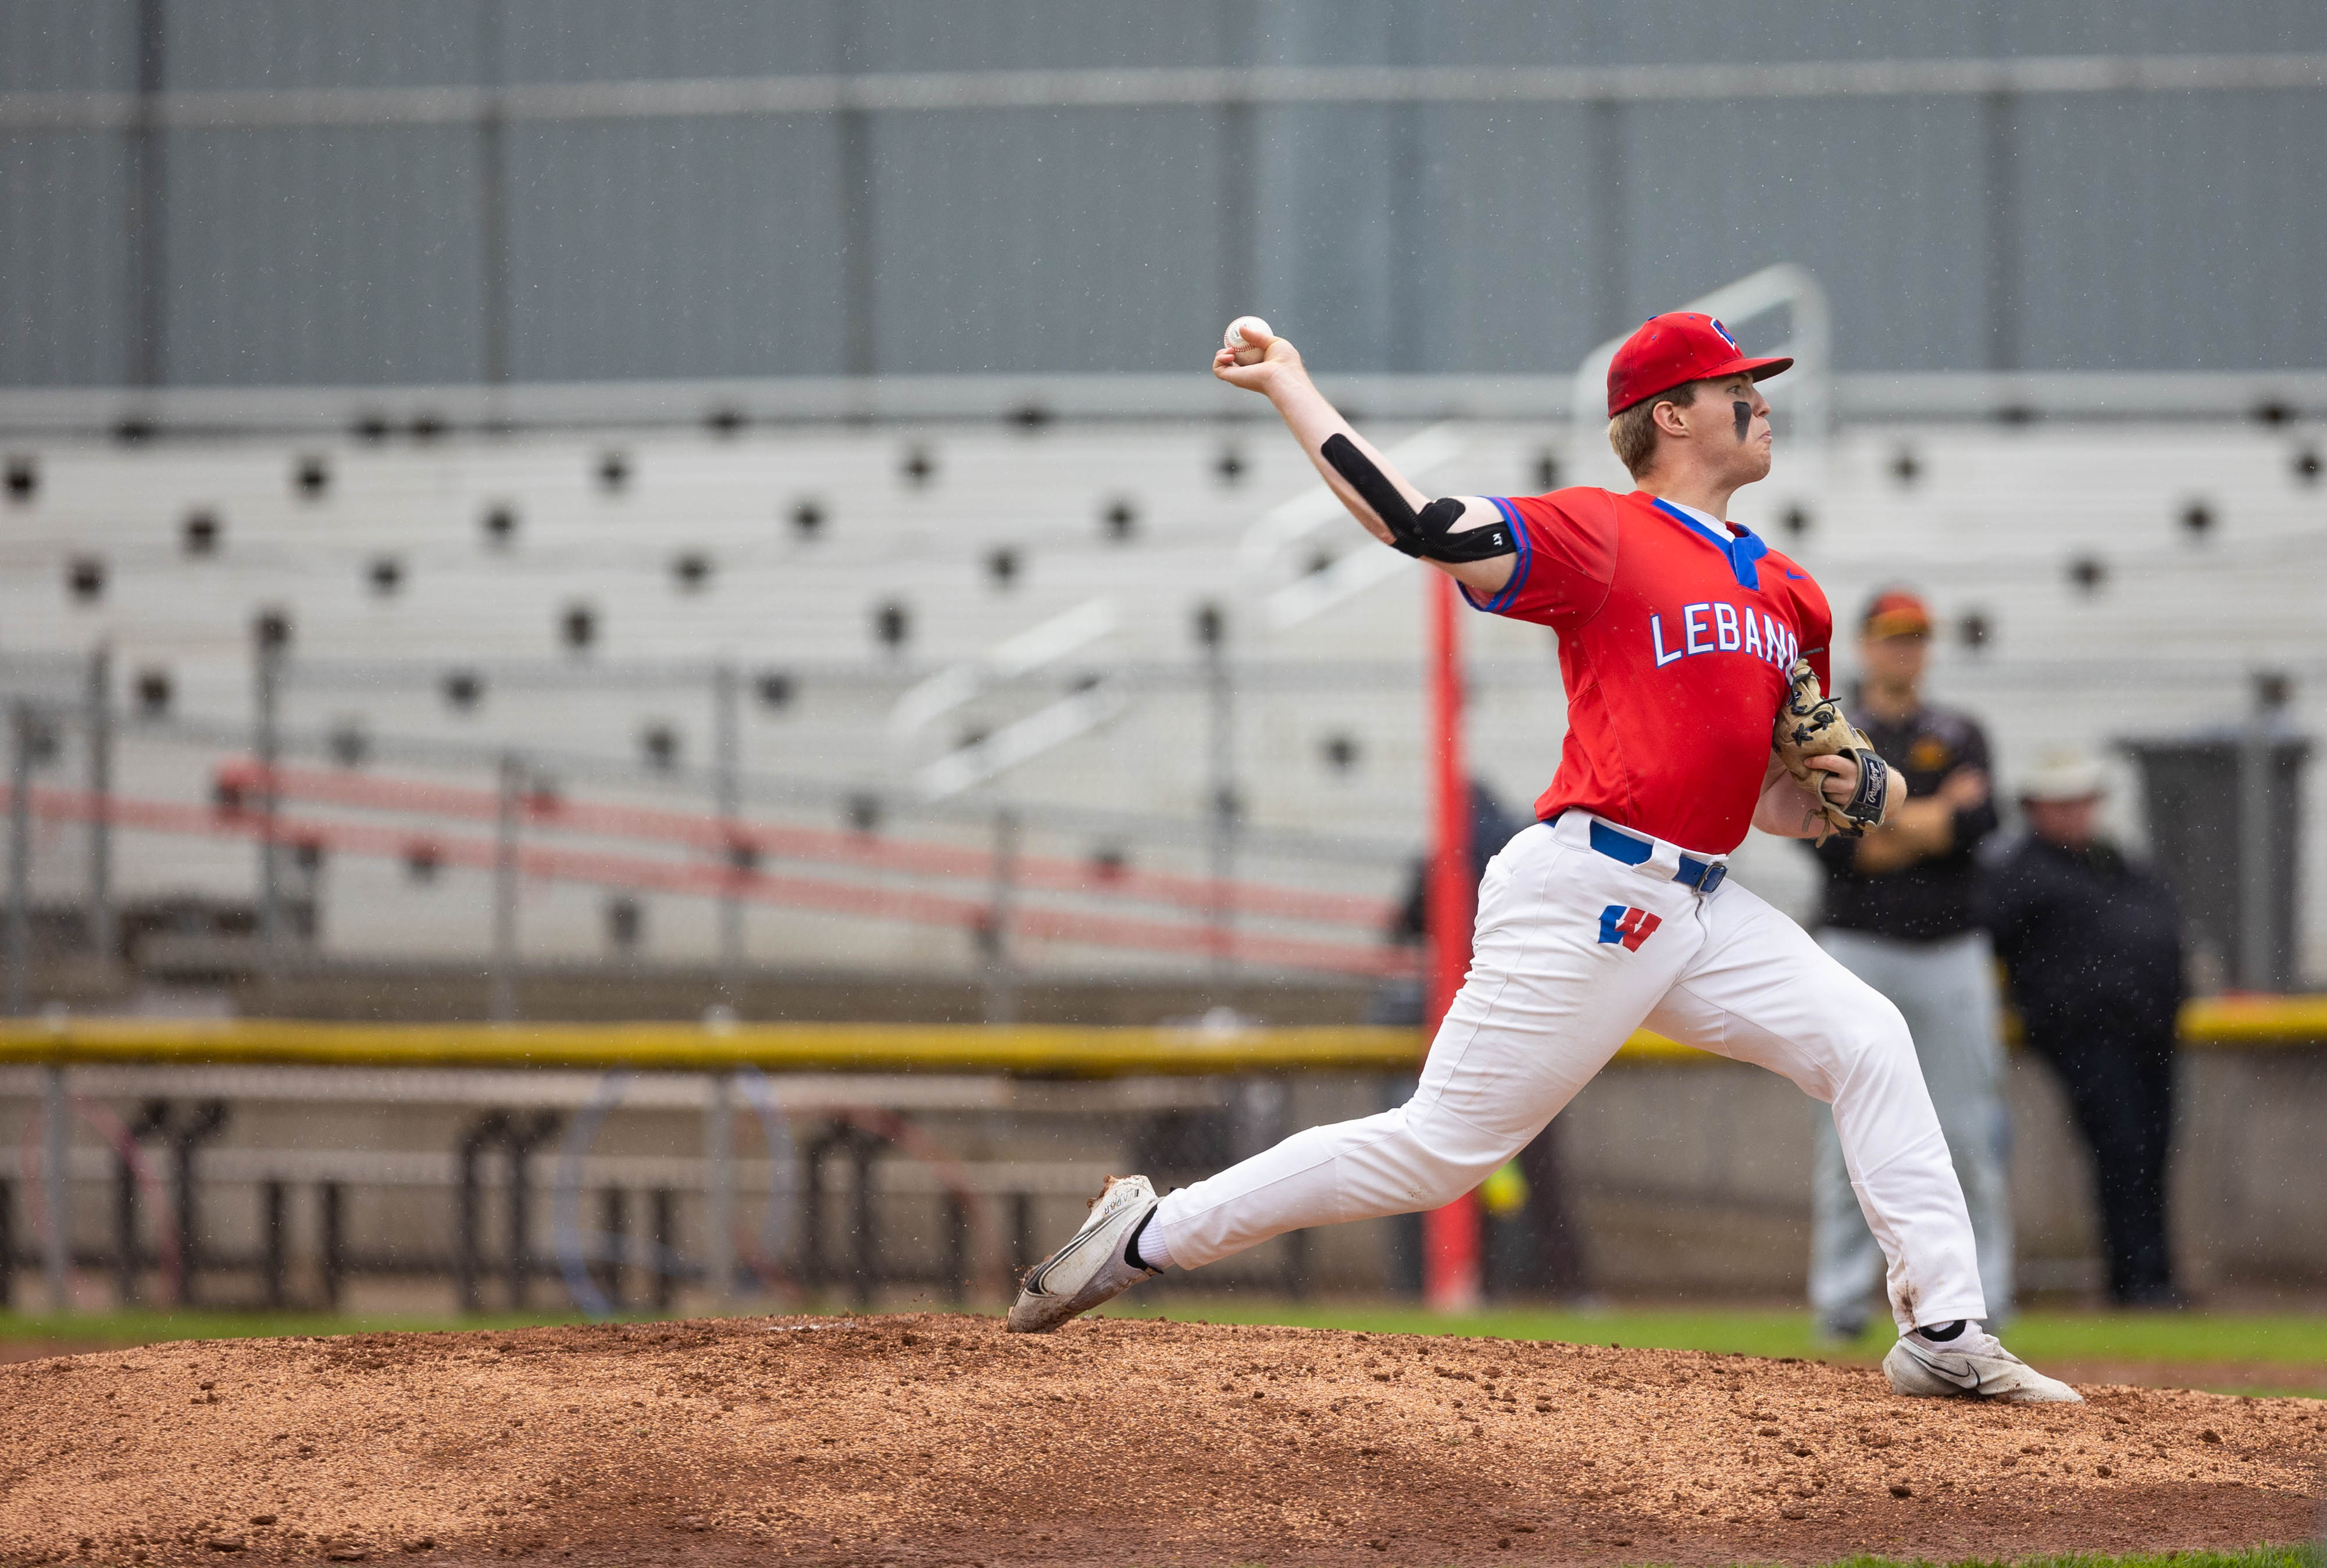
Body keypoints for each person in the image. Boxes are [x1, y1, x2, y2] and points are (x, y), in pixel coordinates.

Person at [1009, 311, 2079, 1403]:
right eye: (1737, 387)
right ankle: (1147, 1234)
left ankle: (1943, 1327)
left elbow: (1776, 805)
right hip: (1593, 889)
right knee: (1437, 1152)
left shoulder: (1787, 593)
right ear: (1672, 414)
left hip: (1704, 902)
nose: (1762, 403)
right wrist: (1291, 383)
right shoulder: (1601, 534)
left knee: (1867, 1037)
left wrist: (1854, 790)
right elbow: (1418, 522)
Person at [1804, 589, 2012, 1341]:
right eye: (1892, 637)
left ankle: (1981, 1300)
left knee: (1967, 1133)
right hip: (1858, 946)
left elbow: (1981, 823)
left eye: (1916, 637)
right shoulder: (1830, 729)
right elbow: (1843, 847)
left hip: (1950, 949)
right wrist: (1933, 816)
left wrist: (1890, 820)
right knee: (1845, 1137)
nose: (1904, 650)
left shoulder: (1960, 730)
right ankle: (1838, 1302)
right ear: (1864, 644)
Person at [1984, 751, 2186, 1307]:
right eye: (2063, 801)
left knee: (2153, 1150)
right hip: (2084, 1032)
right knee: (2121, 1148)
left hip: (2149, 1028)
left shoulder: (2115, 860)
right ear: (2034, 807)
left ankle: (2154, 1276)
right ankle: (2135, 1280)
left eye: (2083, 800)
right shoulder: (2018, 870)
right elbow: (1984, 937)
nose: (2077, 812)